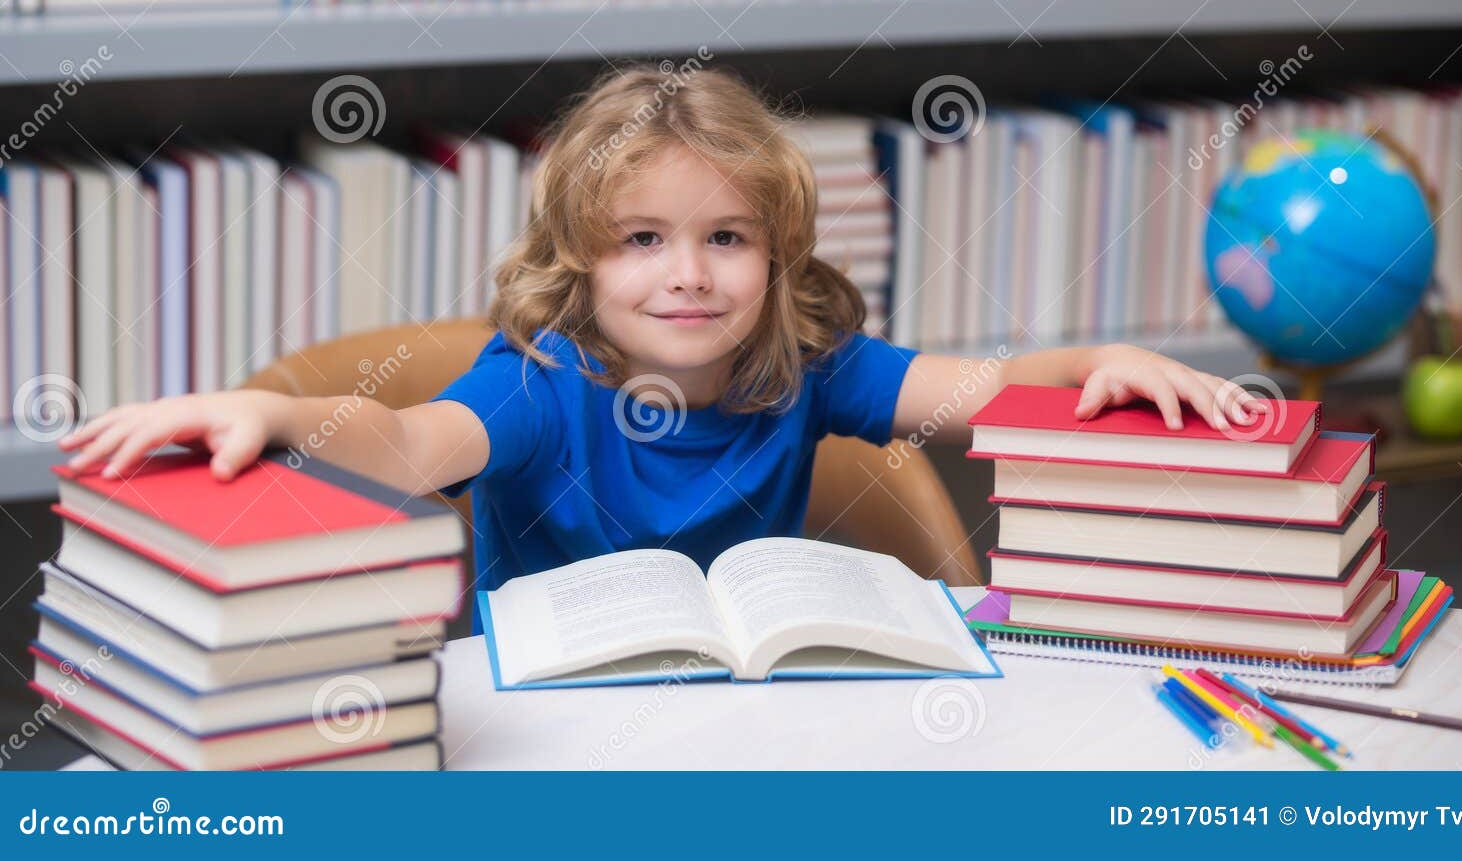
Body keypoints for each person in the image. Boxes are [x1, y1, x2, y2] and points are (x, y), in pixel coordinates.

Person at [58, 64, 1263, 632]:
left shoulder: (813, 362)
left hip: (752, 730)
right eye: (642, 237)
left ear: (779, 254)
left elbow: (987, 391)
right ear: (581, 254)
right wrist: (272, 416)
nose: (687, 271)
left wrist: (1098, 358)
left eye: (727, 236)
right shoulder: (542, 384)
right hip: (555, 743)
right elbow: (405, 441)